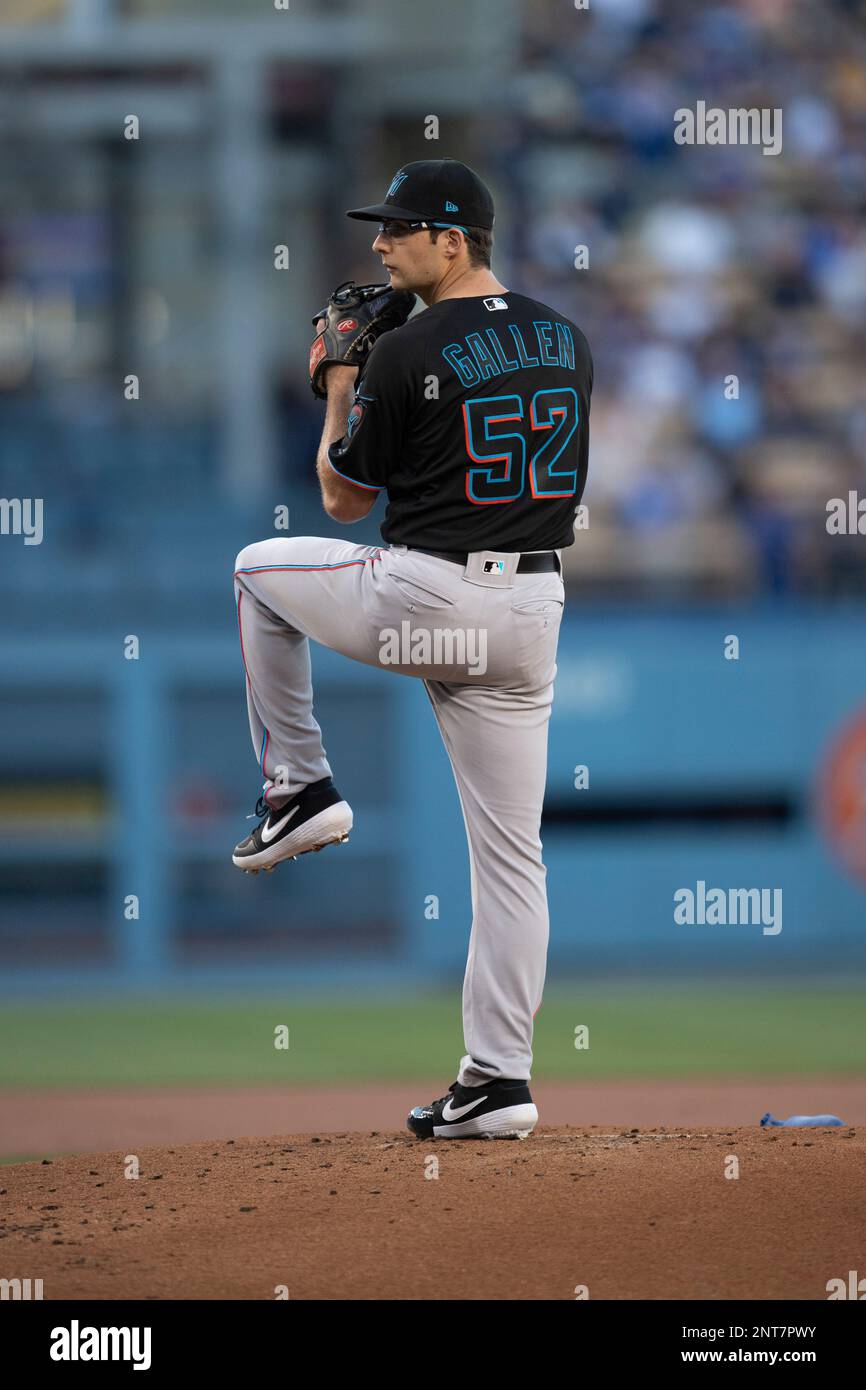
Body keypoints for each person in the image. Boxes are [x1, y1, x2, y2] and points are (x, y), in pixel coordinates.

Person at [232, 159, 593, 1140]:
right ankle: (497, 1083)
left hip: (432, 591)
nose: (382, 244)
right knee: (514, 862)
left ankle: (297, 786)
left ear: (454, 239)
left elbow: (342, 498)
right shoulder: (566, 337)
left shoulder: (404, 348)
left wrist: (340, 383)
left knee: (257, 568)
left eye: (401, 229)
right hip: (533, 608)